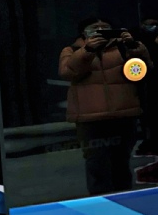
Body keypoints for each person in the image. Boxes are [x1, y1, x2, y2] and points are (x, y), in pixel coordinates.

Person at [59, 17, 151, 195]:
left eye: (106, 28)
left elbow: (144, 69)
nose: (101, 30)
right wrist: (88, 50)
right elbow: (67, 72)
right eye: (95, 28)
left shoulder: (122, 47)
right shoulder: (72, 50)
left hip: (124, 114)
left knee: (121, 162)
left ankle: (125, 199)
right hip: (90, 119)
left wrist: (133, 46)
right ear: (84, 33)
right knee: (96, 164)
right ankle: (101, 203)